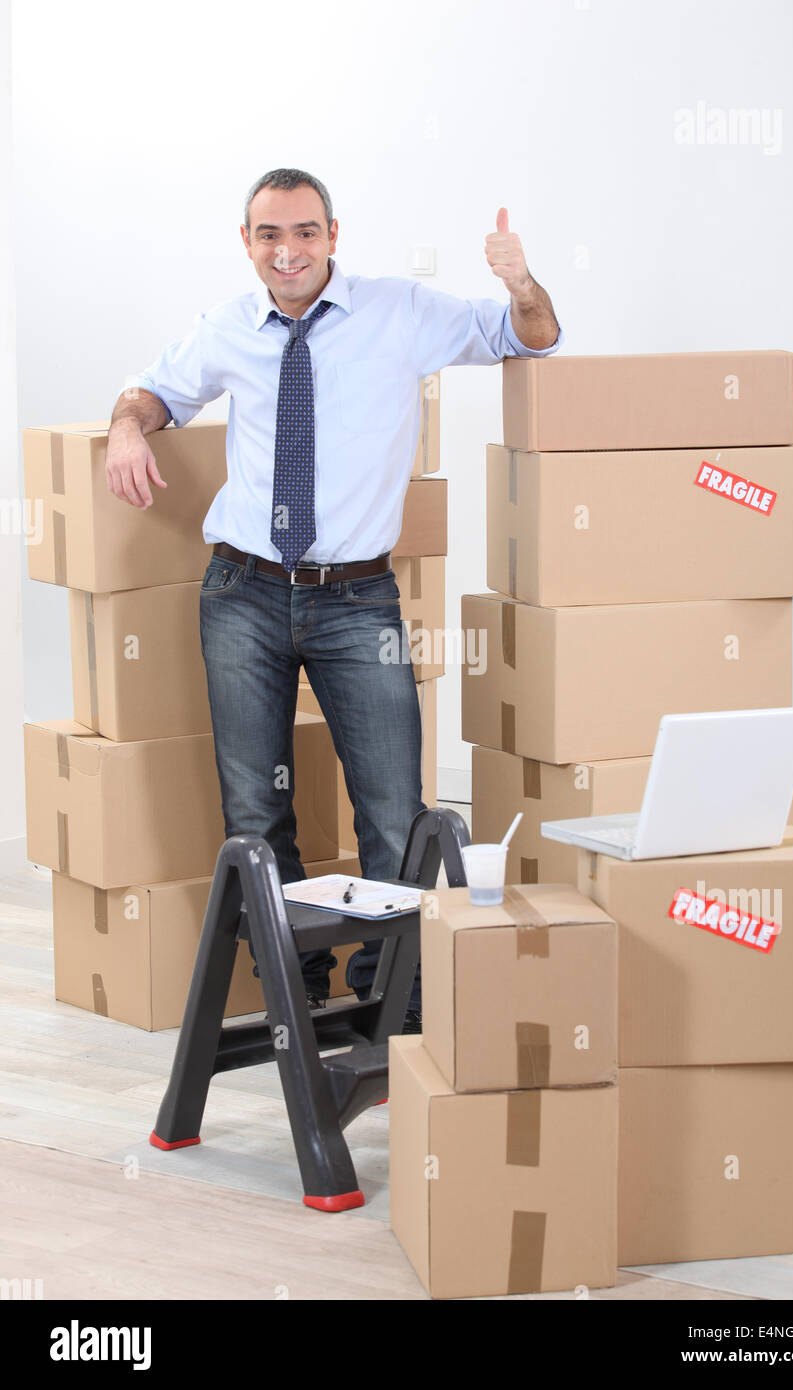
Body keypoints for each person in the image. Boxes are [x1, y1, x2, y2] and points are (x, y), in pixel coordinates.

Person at [105, 167, 562, 1030]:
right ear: (248, 243)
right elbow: (152, 391)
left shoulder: (399, 312)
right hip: (242, 590)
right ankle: (294, 985)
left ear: (333, 235)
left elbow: (530, 338)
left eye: (305, 232)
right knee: (255, 807)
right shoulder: (229, 327)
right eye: (270, 235)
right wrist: (129, 425)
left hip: (357, 601)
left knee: (394, 807)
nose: (289, 251)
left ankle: (387, 992)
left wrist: (520, 281)